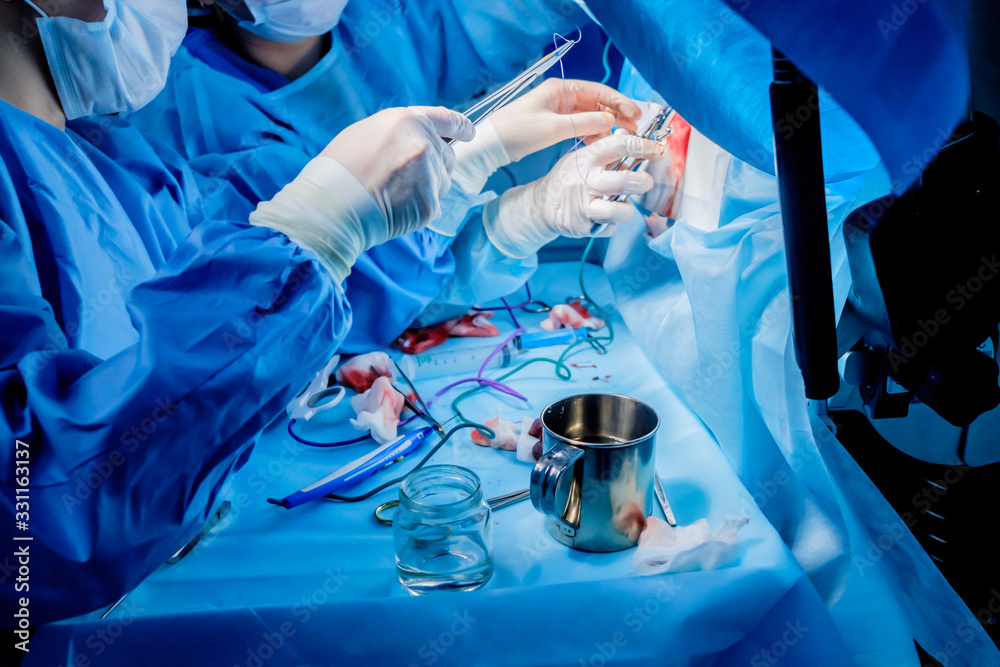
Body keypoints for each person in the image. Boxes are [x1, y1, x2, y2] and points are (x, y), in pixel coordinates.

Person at [0, 0, 476, 623]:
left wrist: (480, 178)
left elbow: (230, 262)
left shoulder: (102, 154)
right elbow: (31, 520)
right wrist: (315, 231)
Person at [128, 0, 661, 347]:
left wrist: (521, 220)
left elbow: (509, 14)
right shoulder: (185, 114)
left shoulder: (383, 17)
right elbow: (357, 292)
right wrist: (480, 157)